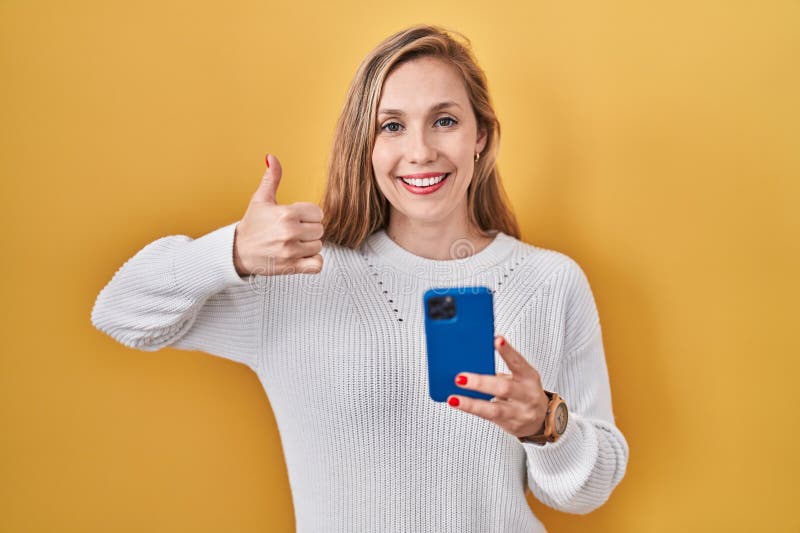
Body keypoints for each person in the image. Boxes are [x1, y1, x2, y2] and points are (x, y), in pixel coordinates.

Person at [91, 24, 629, 533]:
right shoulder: (300, 275)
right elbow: (119, 312)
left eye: (445, 120)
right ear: (366, 146)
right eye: (391, 126)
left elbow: (588, 491)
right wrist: (229, 251)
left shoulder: (551, 282)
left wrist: (546, 425)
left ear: (480, 137)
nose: (420, 151)